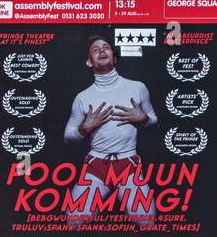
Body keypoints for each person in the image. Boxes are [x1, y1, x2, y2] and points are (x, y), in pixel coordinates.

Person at [62, 34, 157, 224]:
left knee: (147, 222)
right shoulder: (82, 97)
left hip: (128, 164)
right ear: (89, 62)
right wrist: (84, 128)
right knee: (73, 220)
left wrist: (144, 118)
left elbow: (154, 119)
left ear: (114, 57)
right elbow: (67, 137)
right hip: (96, 165)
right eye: (95, 50)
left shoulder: (138, 87)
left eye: (106, 47)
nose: (102, 50)